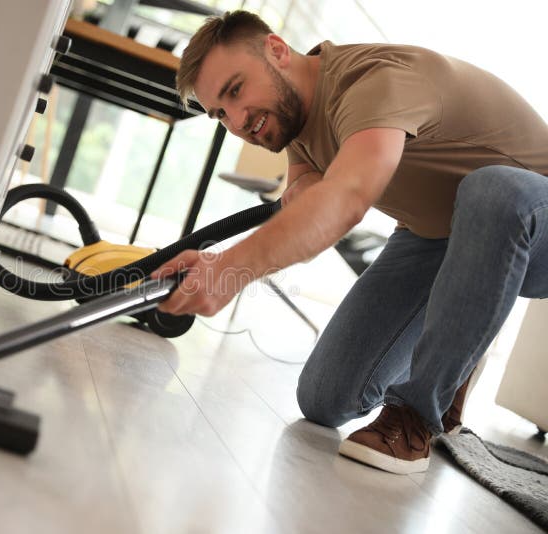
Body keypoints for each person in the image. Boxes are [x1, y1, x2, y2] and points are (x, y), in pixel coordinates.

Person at [151, 10, 548, 474]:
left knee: (492, 190)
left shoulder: (373, 80)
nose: (237, 121)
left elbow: (348, 198)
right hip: (438, 236)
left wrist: (233, 271)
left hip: (532, 221)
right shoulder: (296, 121)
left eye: (236, 90)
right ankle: (454, 359)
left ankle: (417, 413)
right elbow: (309, 209)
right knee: (323, 398)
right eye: (219, 114)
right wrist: (223, 263)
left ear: (277, 50)